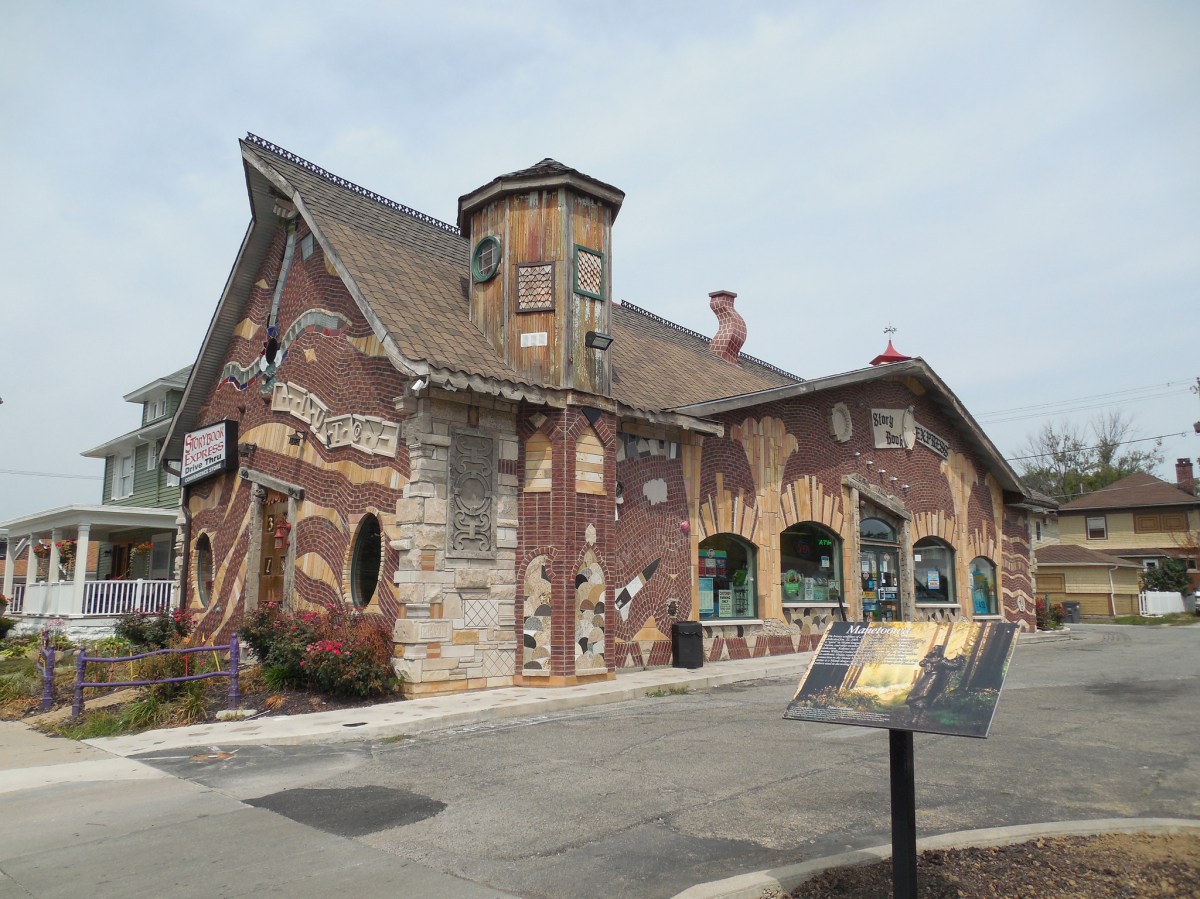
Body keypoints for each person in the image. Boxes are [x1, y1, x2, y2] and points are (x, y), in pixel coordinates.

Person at [905, 644, 964, 725]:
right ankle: (916, 720)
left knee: (923, 696)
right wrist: (927, 658)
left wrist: (959, 659)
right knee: (916, 697)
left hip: (932, 680)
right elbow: (921, 663)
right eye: (935, 649)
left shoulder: (941, 660)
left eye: (936, 650)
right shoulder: (935, 659)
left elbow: (954, 665)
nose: (935, 651)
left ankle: (919, 720)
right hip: (928, 679)